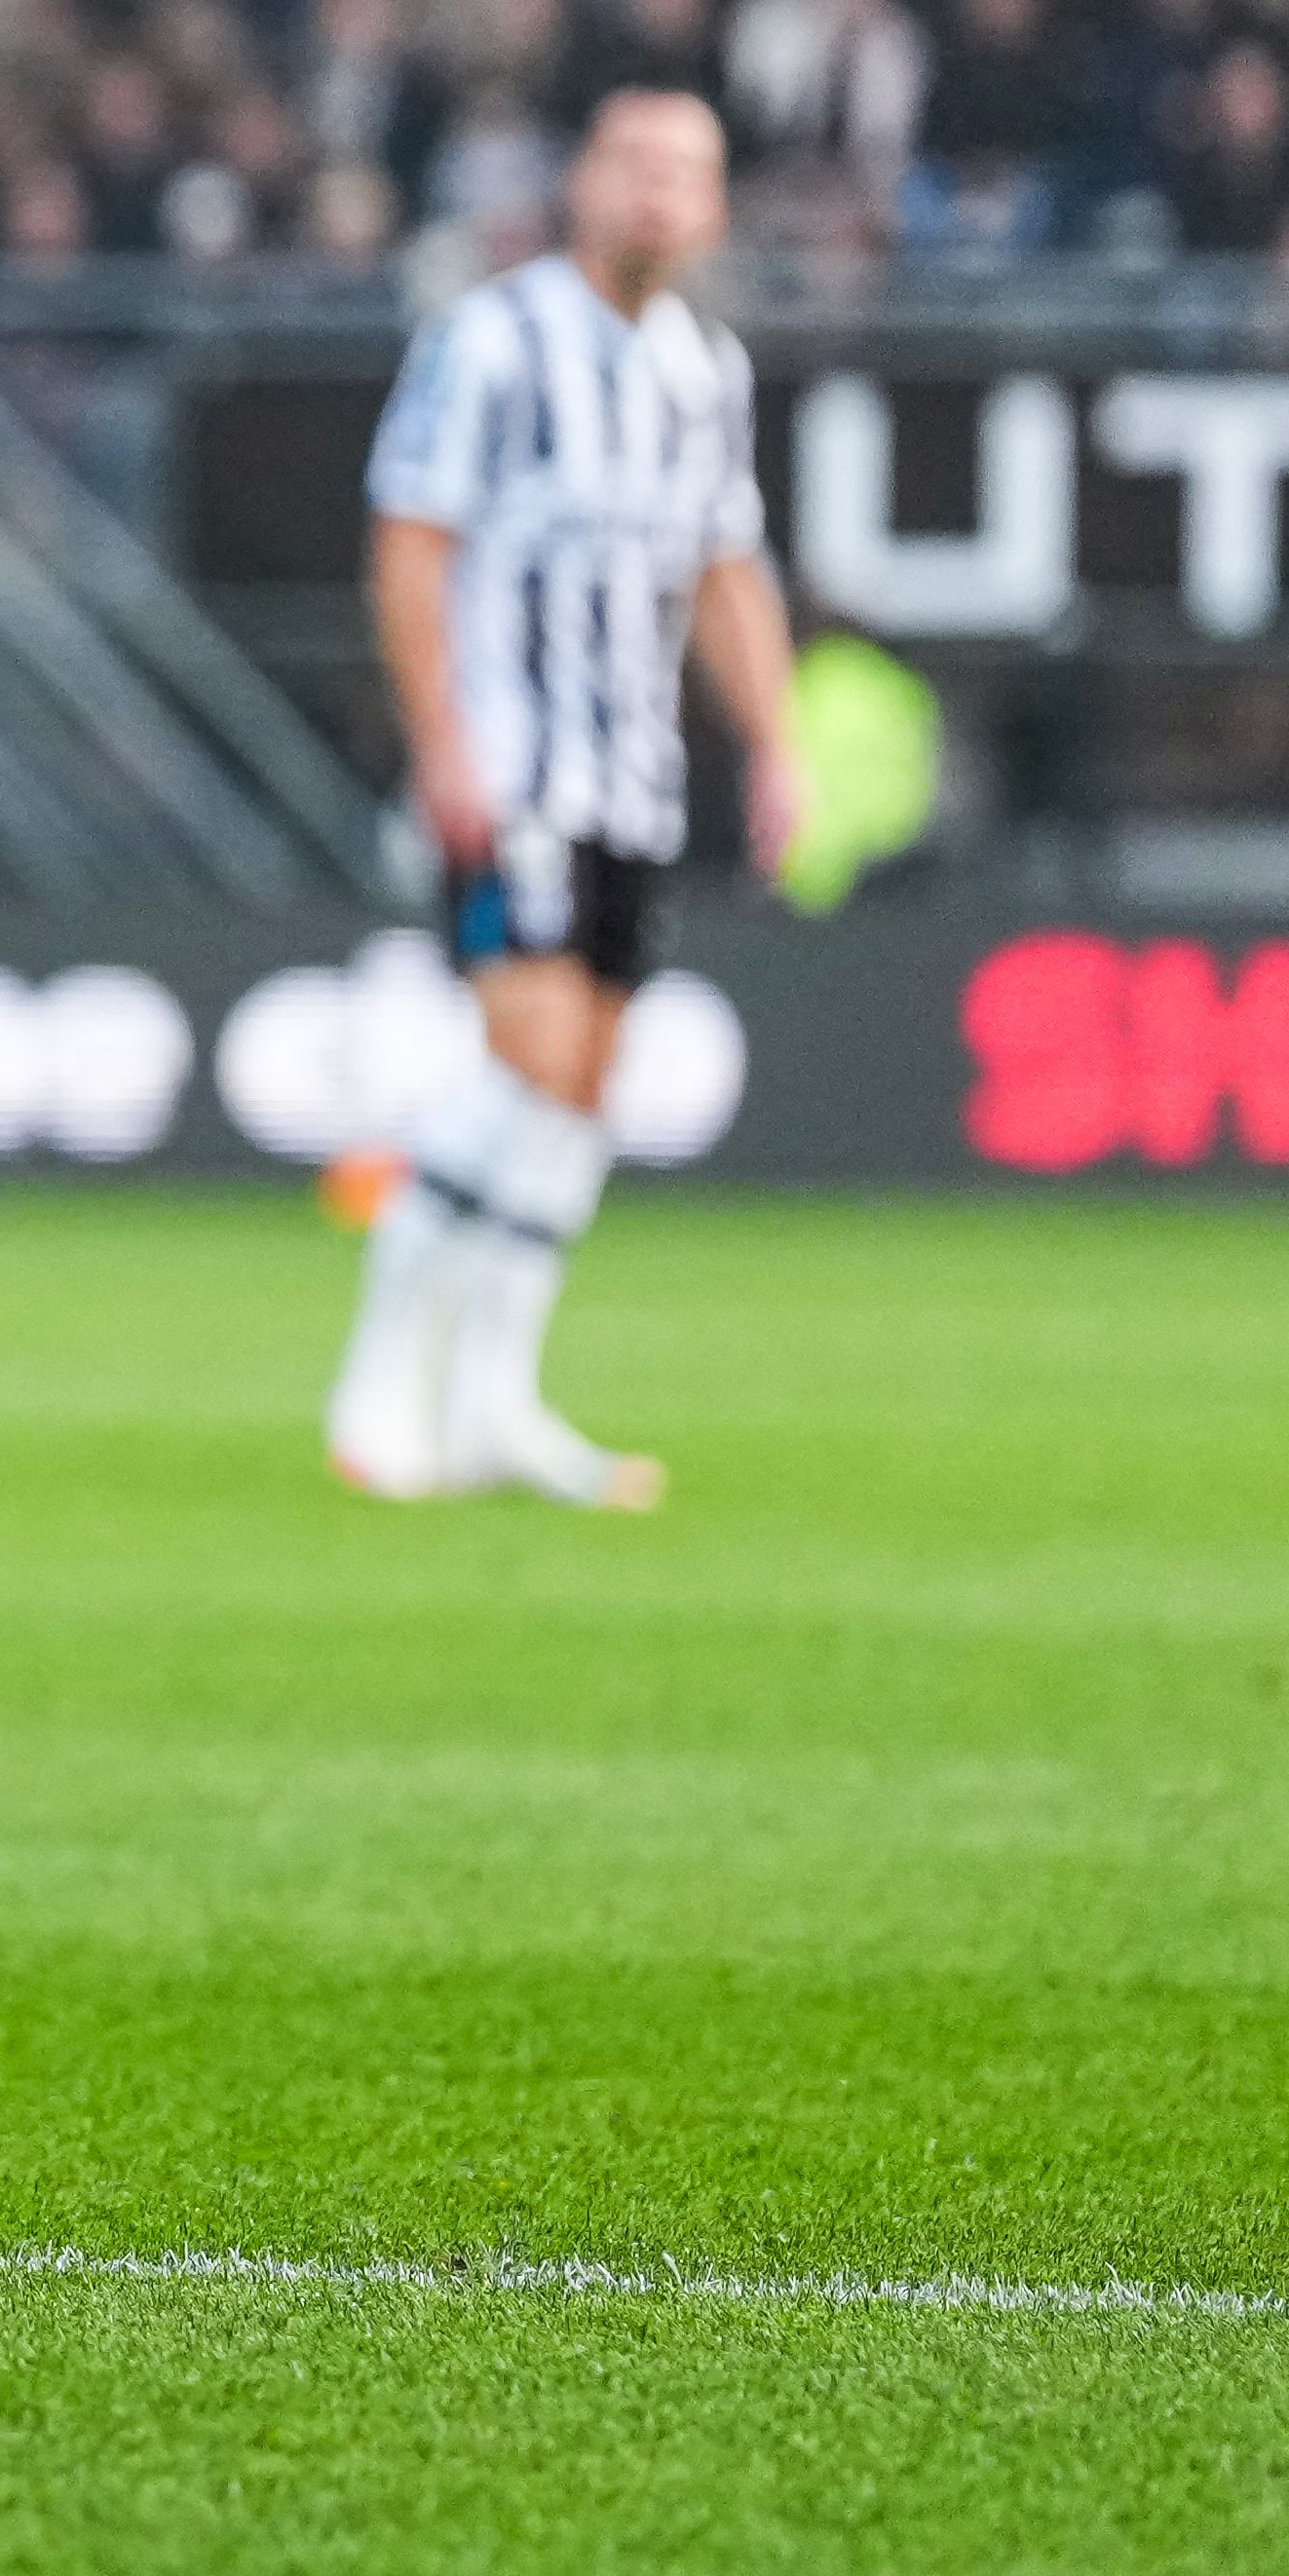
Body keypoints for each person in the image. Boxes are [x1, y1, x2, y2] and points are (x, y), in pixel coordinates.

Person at [329, 83, 801, 1515]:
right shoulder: (493, 339)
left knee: (585, 1086)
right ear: (585, 183)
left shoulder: (703, 371)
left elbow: (723, 569)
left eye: (690, 173)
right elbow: (411, 543)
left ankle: (494, 1404)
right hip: (514, 761)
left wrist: (775, 743)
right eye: (637, 164)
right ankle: (380, 1379)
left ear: (715, 209)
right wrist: (445, 741)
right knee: (530, 1060)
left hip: (631, 775)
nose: (661, 194)